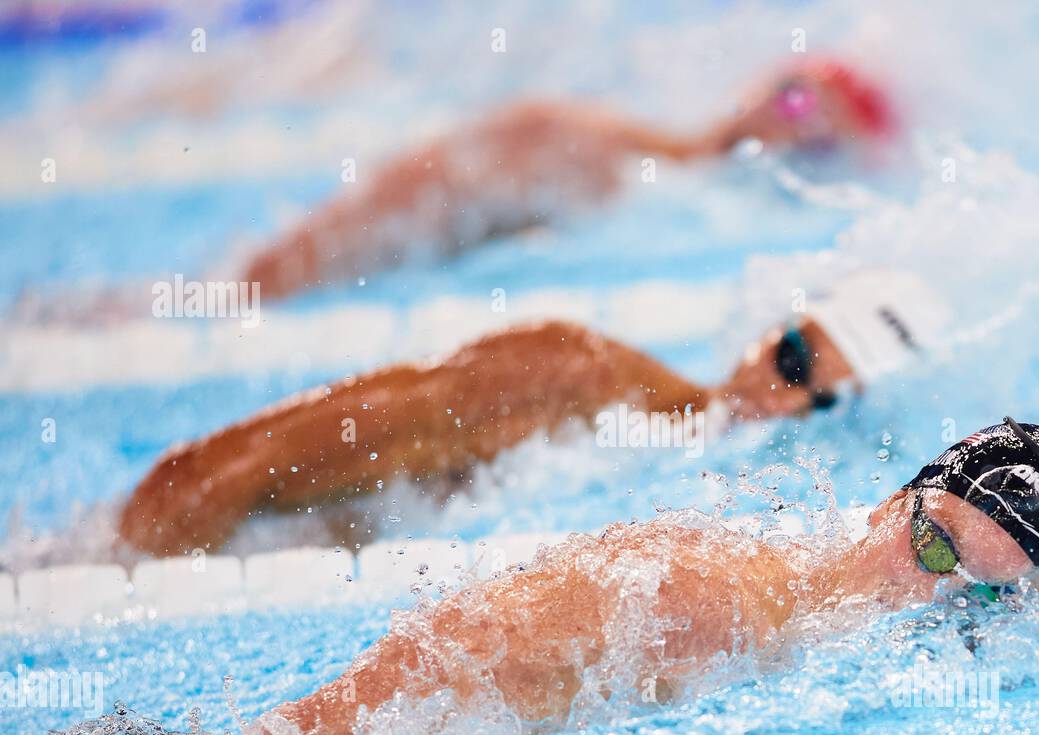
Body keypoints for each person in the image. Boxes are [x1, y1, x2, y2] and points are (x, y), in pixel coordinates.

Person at [233, 419, 1039, 735]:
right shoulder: (684, 595)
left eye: (985, 596)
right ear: (896, 501)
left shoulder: (815, 648)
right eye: (933, 550)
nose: (933, 599)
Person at [117, 285, 949, 556]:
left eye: (826, 400)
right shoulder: (568, 378)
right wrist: (134, 572)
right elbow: (206, 481)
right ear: (772, 327)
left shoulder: (750, 501)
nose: (788, 399)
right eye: (795, 358)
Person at [238, 57, 896, 300]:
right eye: (794, 97)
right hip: (302, 279)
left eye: (821, 136)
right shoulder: (573, 138)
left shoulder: (683, 205)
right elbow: (370, 215)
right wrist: (259, 284)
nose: (790, 129)